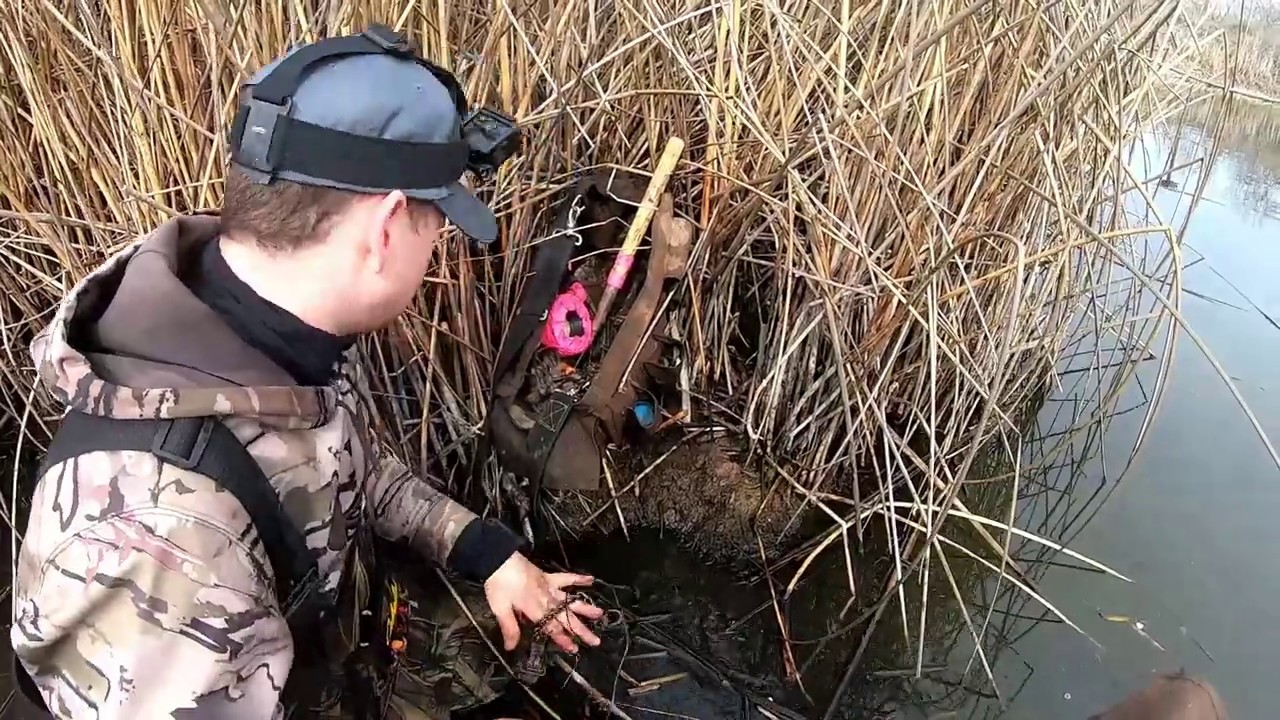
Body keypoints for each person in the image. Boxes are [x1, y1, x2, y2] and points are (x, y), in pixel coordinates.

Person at [9, 25, 603, 719]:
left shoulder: (272, 328)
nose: (438, 245)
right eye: (438, 220)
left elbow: (338, 466)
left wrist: (487, 552)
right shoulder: (164, 535)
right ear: (384, 231)